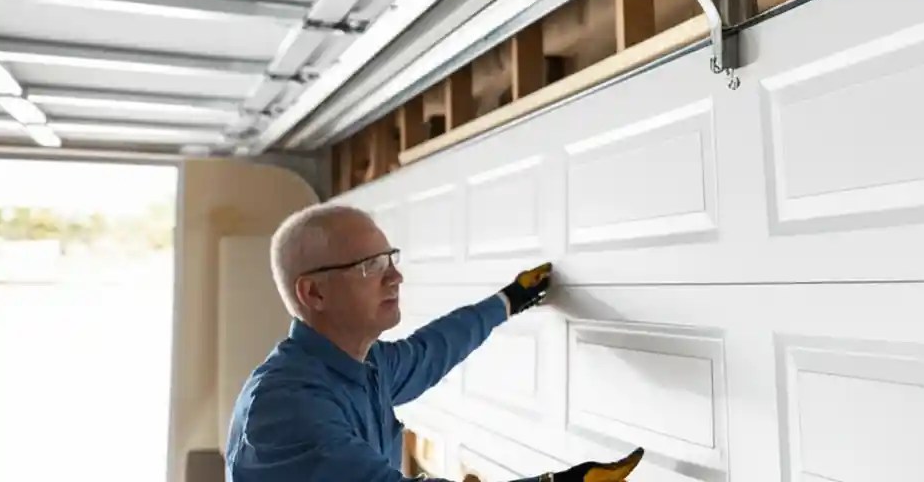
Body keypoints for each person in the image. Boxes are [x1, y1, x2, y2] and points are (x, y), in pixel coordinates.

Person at [224, 203, 643, 482]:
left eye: (391, 259)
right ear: (313, 293)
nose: (395, 277)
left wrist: (509, 300)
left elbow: (429, 351)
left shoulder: (359, 366)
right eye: (371, 266)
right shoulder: (284, 409)